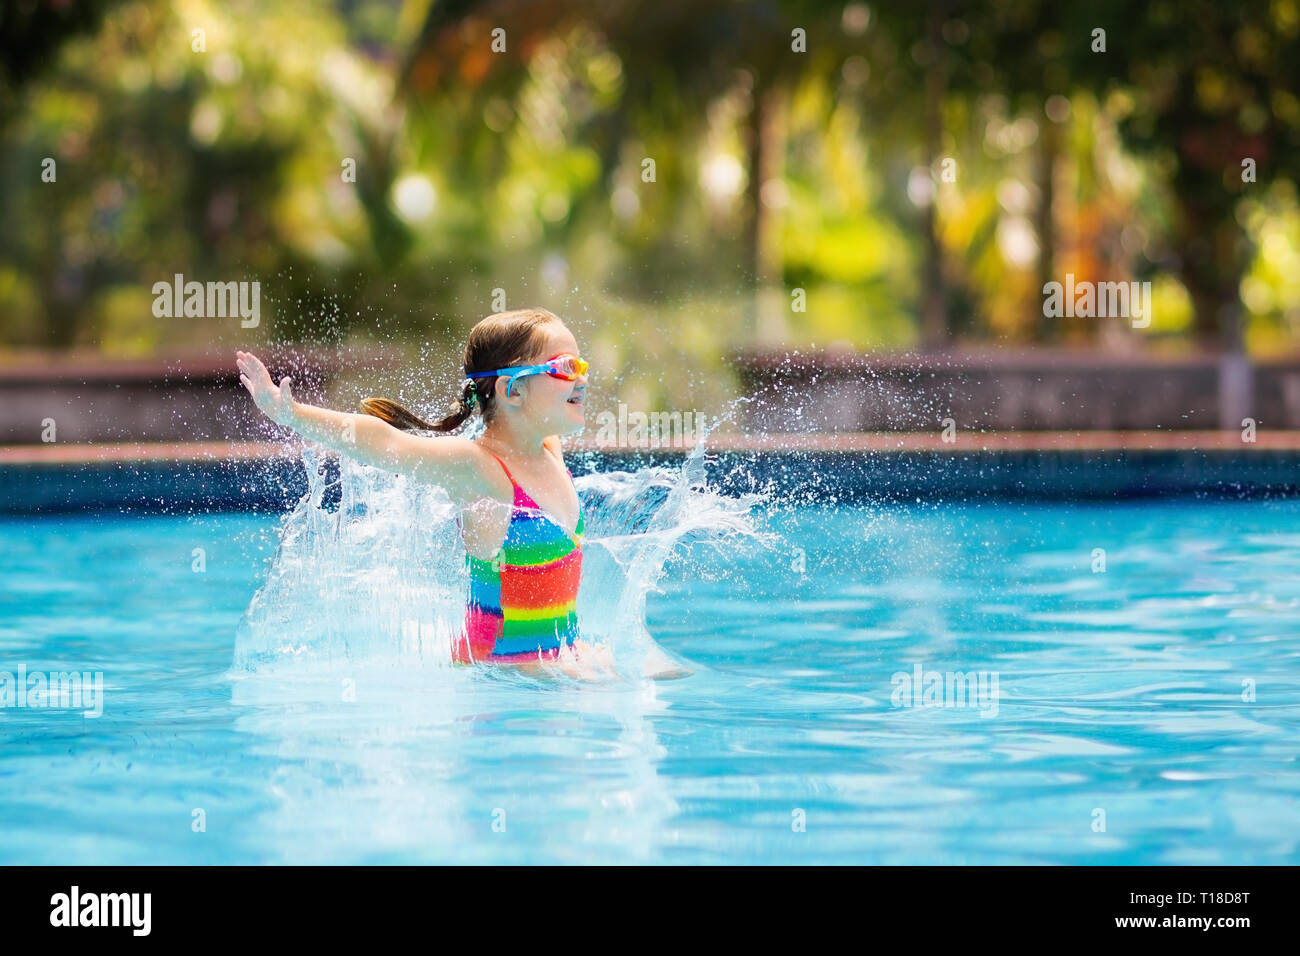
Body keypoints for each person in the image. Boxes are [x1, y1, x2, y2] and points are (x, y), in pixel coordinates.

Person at [236, 307, 608, 675]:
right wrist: (291, 414)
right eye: (565, 368)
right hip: (497, 678)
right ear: (512, 390)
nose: (582, 378)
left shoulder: (548, 449)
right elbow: (384, 442)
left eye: (582, 365)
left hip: (551, 670)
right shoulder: (481, 470)